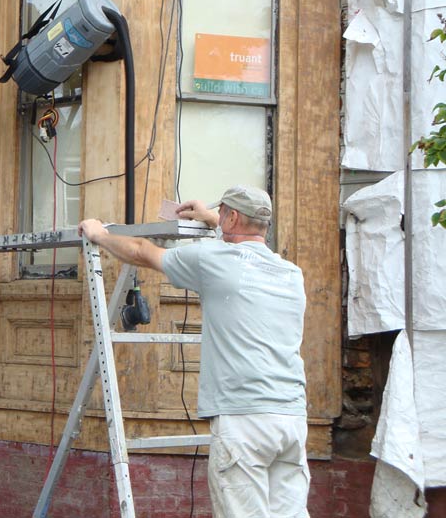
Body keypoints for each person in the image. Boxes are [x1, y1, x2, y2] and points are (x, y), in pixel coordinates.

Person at [79, 185, 310, 518]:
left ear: (233, 217)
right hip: (291, 418)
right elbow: (250, 248)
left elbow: (142, 251)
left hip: (244, 420)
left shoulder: (214, 260)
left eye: (224, 213)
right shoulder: (290, 274)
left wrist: (100, 234)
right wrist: (217, 220)